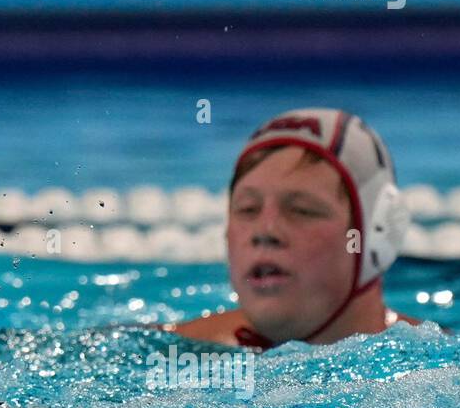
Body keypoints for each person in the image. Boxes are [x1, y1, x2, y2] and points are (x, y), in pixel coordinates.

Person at [172, 108, 422, 348]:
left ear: (377, 233)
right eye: (248, 209)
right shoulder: (176, 350)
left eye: (302, 210)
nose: (265, 231)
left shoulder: (439, 365)